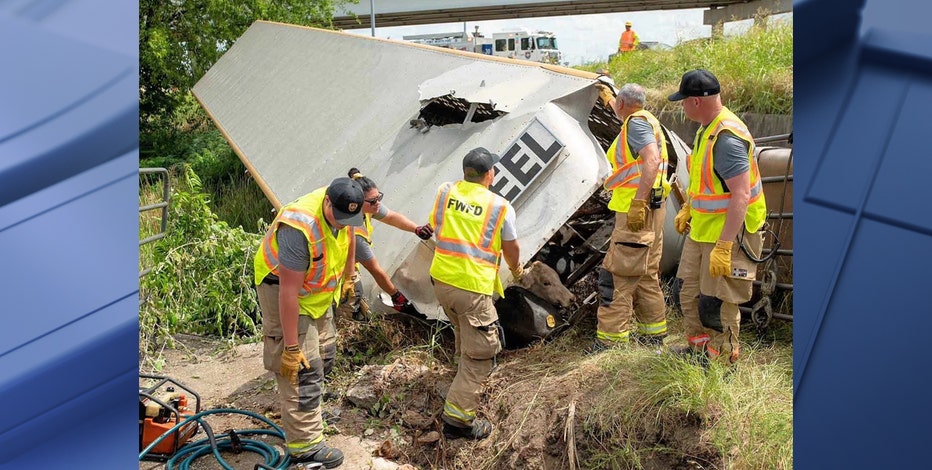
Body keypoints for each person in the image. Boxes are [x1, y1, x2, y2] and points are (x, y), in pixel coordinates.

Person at [252, 177, 366, 469]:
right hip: (284, 289)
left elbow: (351, 235)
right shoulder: (298, 228)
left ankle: (310, 413)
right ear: (327, 202)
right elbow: (288, 293)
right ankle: (305, 446)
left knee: (325, 356)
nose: (343, 223)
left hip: (315, 291)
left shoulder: (347, 204)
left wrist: (351, 274)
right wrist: (291, 346)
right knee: (304, 369)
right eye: (338, 217)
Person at [667, 69, 767, 365]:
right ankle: (699, 352)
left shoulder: (727, 137)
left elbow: (741, 196)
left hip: (729, 235)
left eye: (684, 101)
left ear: (696, 101)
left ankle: (722, 362)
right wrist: (690, 207)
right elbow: (708, 183)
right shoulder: (705, 130)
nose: (682, 107)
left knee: (718, 302)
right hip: (703, 231)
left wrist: (724, 246)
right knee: (689, 293)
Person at [428, 147, 523, 440]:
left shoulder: (446, 192)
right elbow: (511, 248)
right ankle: (458, 421)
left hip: (442, 279)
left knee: (462, 331)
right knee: (481, 356)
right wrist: (517, 270)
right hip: (472, 287)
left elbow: (435, 226)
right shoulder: (500, 206)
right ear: (490, 174)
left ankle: (458, 381)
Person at [586, 83, 670, 355]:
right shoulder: (649, 121)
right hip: (652, 211)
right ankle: (653, 335)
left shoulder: (636, 125)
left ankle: (610, 342)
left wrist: (637, 203)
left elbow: (651, 160)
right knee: (646, 273)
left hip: (637, 214)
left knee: (617, 274)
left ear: (622, 104)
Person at [345, 168, 434, 319]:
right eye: (373, 201)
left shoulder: (369, 206)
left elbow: (391, 217)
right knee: (353, 297)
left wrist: (416, 229)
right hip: (337, 272)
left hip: (347, 266)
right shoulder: (355, 232)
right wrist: (396, 296)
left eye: (378, 197)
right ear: (357, 202)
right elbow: (375, 270)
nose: (378, 203)